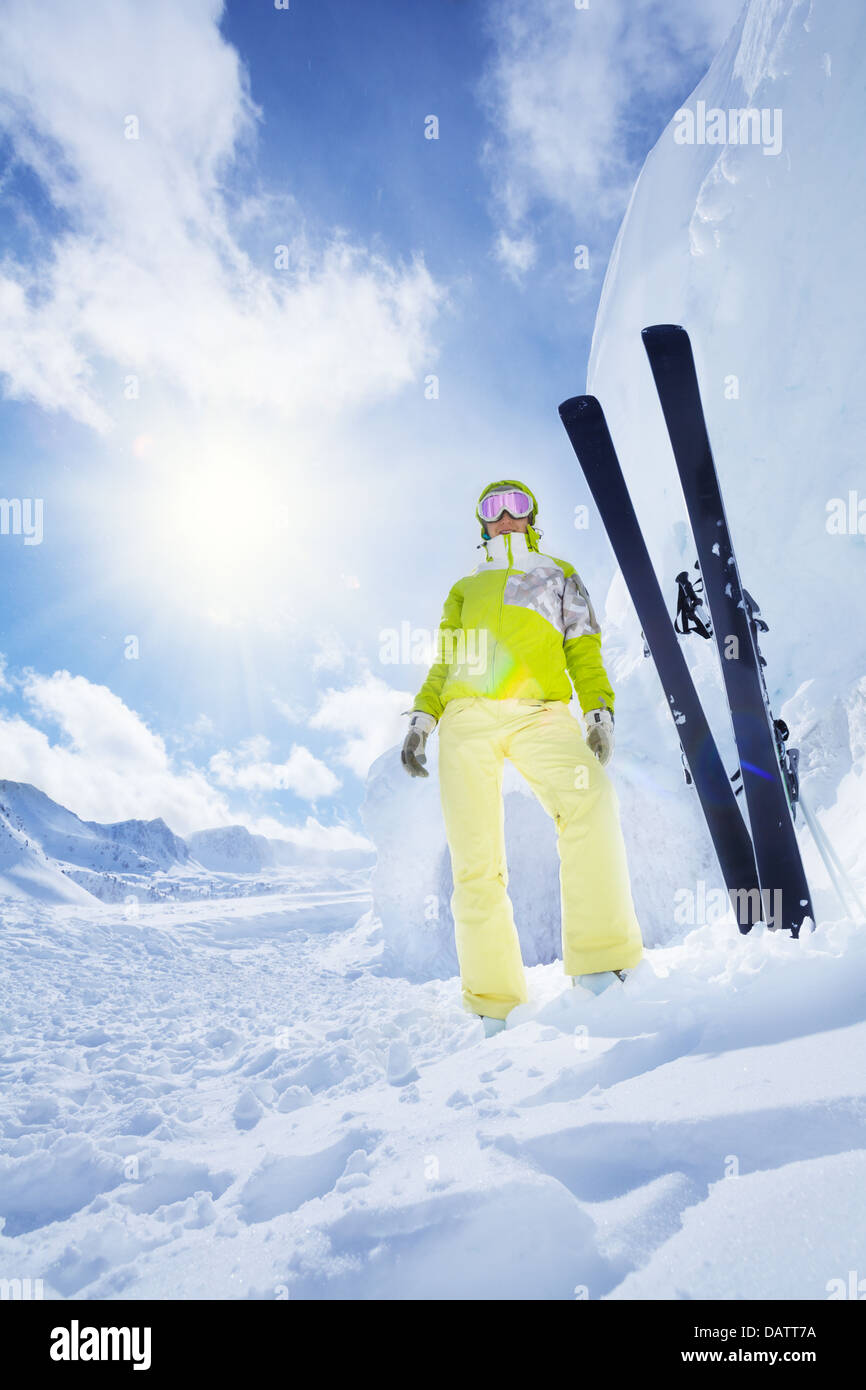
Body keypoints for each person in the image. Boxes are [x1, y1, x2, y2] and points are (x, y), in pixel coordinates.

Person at [401, 479, 642, 1035]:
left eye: (518, 504)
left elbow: (583, 646)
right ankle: (495, 1003)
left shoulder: (558, 573)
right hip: (466, 717)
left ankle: (602, 962)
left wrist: (598, 711)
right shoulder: (466, 587)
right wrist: (422, 720)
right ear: (481, 522)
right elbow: (445, 661)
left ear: (532, 514)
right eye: (493, 506)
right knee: (476, 857)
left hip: (541, 711)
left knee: (592, 799)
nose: (506, 514)